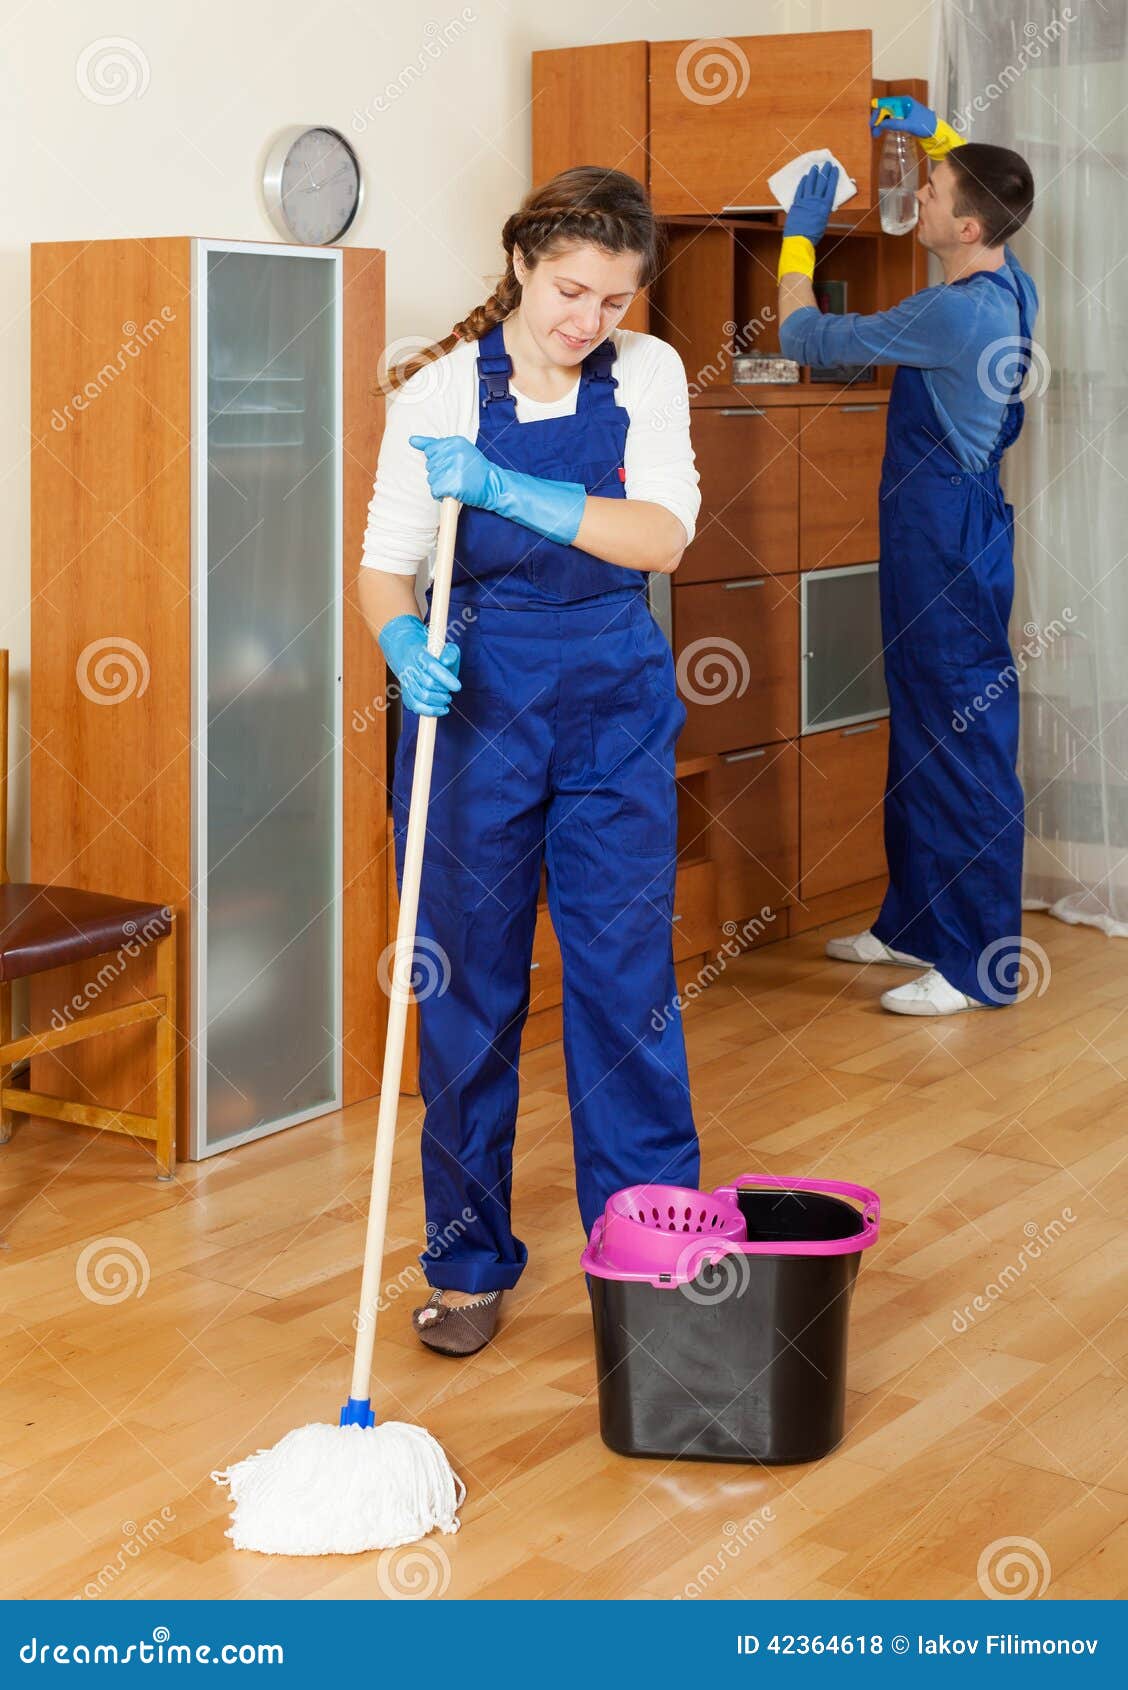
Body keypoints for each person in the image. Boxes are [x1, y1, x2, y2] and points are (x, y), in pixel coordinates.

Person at [358, 168, 701, 1355]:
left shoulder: (646, 373)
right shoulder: (440, 390)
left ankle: (650, 1251)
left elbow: (659, 536)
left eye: (613, 299)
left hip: (613, 701)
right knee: (466, 990)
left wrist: (507, 486)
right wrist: (404, 643)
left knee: (625, 983)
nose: (588, 320)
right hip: (476, 707)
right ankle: (466, 1262)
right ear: (521, 263)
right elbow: (384, 567)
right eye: (569, 291)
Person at [776, 101, 1038, 1017]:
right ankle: (917, 923)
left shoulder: (948, 314)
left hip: (946, 545)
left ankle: (976, 966)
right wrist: (936, 134)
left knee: (962, 744)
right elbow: (985, 191)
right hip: (953, 533)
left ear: (966, 228)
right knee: (926, 726)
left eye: (931, 190)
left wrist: (799, 240)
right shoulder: (1012, 283)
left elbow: (802, 339)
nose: (916, 198)